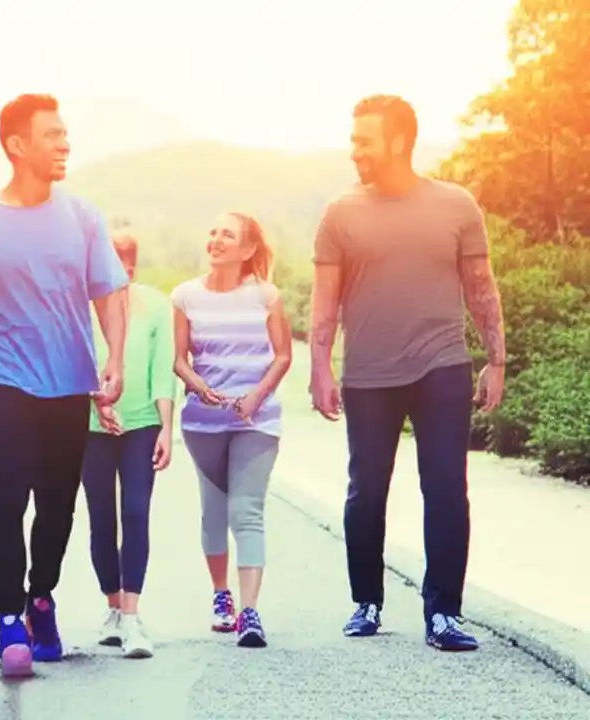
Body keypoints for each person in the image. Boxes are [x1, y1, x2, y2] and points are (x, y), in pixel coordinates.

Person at [0, 93, 129, 678]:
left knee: (57, 505)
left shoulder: (83, 216)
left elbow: (108, 294)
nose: (65, 144)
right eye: (53, 135)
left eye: (66, 134)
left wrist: (115, 357)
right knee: (5, 497)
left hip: (68, 380)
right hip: (0, 378)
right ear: (18, 145)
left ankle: (40, 596)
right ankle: (6, 619)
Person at [310, 94, 506, 653]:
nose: (355, 153)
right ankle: (366, 600)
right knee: (366, 492)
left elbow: (481, 288)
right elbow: (325, 302)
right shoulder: (340, 213)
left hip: (442, 364)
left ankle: (444, 612)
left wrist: (496, 359)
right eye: (353, 141)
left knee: (446, 488)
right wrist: (320, 366)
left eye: (364, 142)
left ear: (398, 142)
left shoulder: (457, 205)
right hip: (369, 373)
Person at [172, 212, 291, 649]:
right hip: (203, 422)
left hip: (256, 421)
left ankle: (250, 612)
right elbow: (180, 358)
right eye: (213, 231)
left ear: (247, 251)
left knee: (247, 510)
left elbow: (281, 356)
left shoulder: (265, 295)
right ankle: (221, 595)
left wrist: (255, 398)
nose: (216, 239)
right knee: (214, 513)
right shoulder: (185, 295)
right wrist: (196, 384)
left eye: (228, 234)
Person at [81, 232, 175, 659]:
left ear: (132, 268)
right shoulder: (78, 306)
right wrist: (95, 403)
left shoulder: (157, 305)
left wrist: (166, 428)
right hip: (91, 428)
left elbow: (163, 369)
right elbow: (74, 361)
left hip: (141, 425)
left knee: (136, 511)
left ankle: (134, 617)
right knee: (102, 518)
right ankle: (113, 608)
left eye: (120, 263)